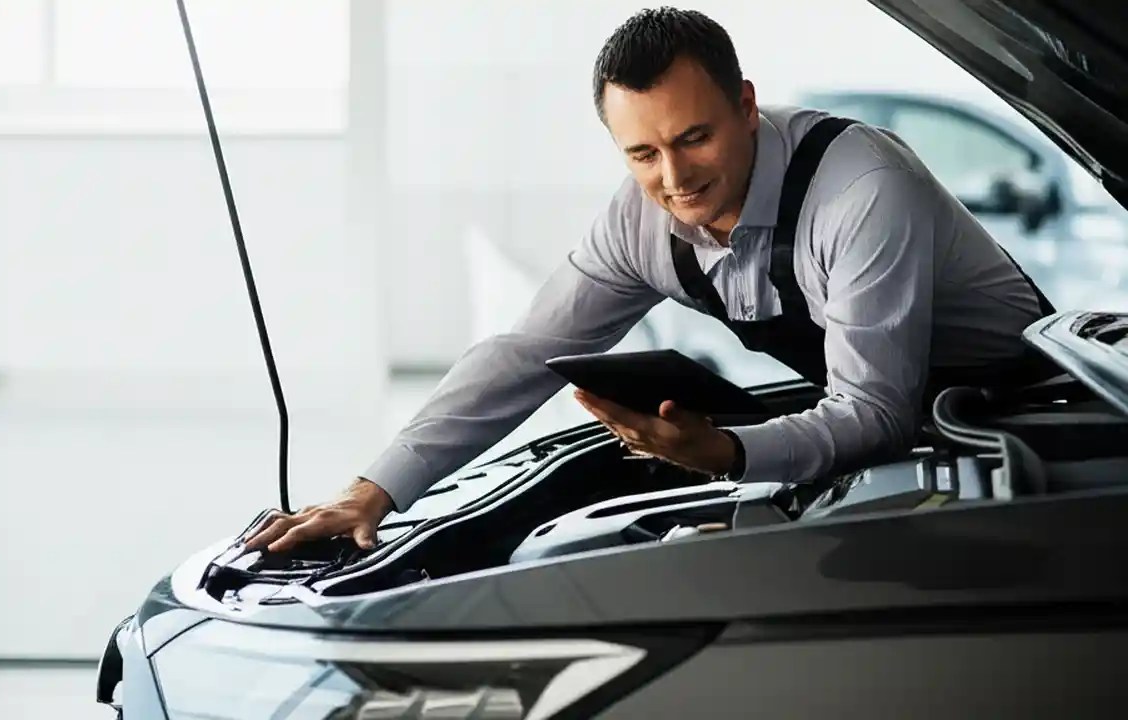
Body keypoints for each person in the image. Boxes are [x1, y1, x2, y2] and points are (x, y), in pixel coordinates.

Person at [244, 7, 1056, 554]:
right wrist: (373, 491)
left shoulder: (863, 190)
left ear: (745, 104)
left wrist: (730, 453)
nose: (675, 179)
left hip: (1039, 430)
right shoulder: (640, 221)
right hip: (909, 427)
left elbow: (876, 413)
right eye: (642, 154)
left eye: (695, 137)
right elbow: (525, 354)